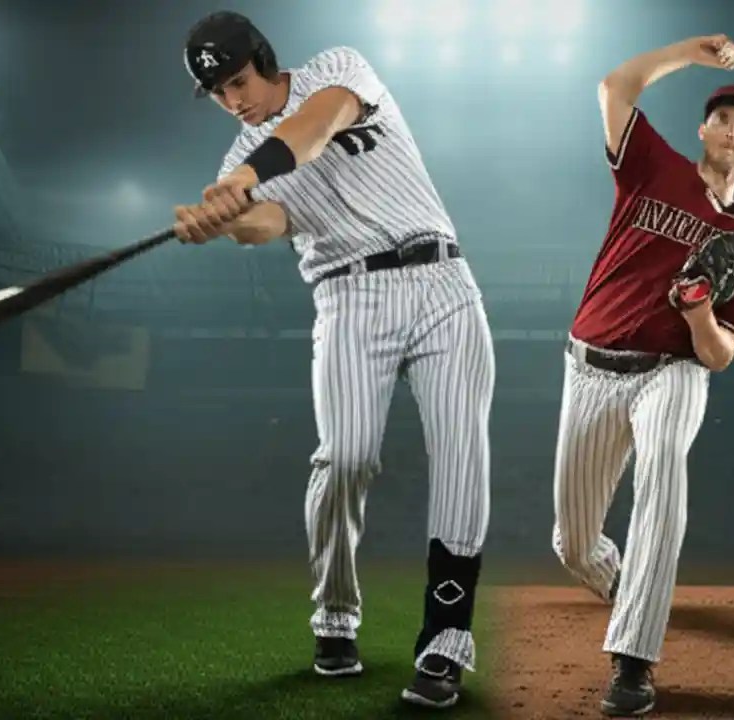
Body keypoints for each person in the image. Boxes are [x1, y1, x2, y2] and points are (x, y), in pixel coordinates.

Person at [170, 11, 494, 710]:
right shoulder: (236, 163)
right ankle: (336, 616)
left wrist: (243, 180)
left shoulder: (336, 70)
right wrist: (220, 219)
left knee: (462, 454)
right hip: (350, 299)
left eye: (238, 81)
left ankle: (446, 639)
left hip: (442, 281)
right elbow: (270, 222)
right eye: (217, 93)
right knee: (345, 458)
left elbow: (315, 128)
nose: (232, 101)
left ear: (263, 58)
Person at [549, 34, 734, 716]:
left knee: (663, 475)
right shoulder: (653, 167)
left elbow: (719, 356)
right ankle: (624, 586)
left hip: (672, 373)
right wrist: (691, 53)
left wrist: (699, 312)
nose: (733, 130)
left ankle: (633, 659)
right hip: (589, 368)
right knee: (572, 543)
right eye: (723, 118)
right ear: (703, 131)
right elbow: (614, 88)